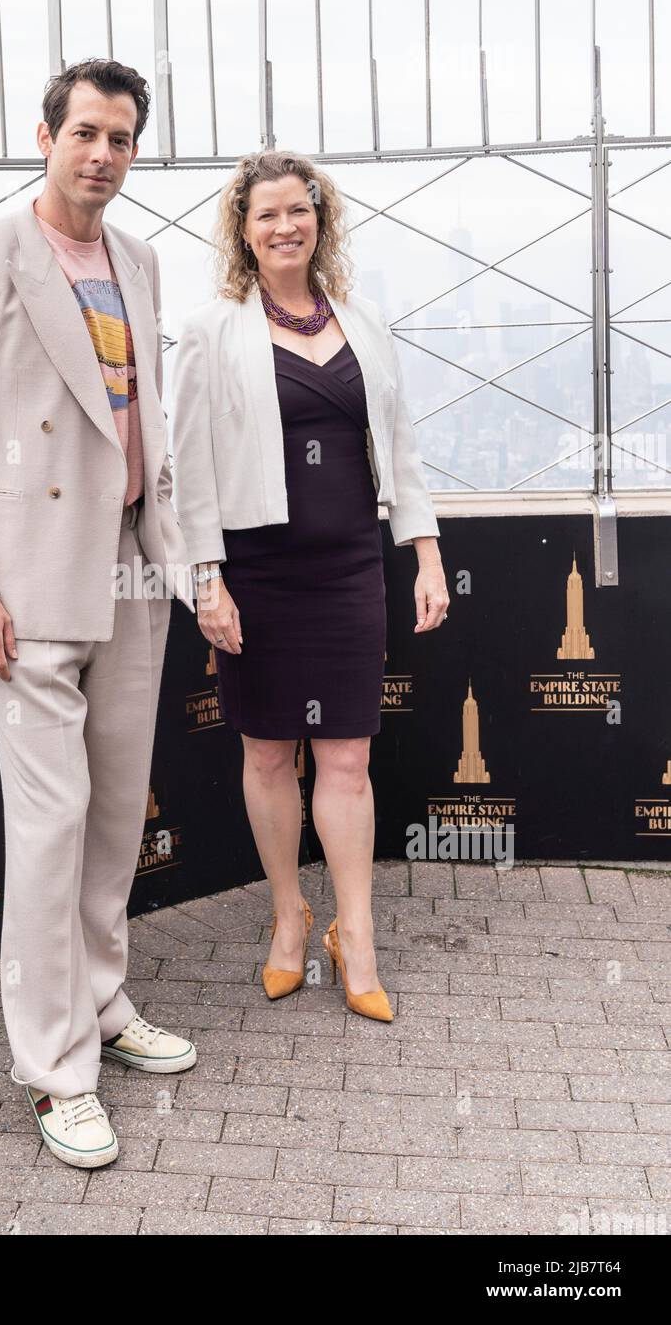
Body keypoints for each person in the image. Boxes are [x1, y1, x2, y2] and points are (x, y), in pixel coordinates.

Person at [0, 59, 197, 1170]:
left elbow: (145, 419)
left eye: (121, 138)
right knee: (44, 832)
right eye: (85, 132)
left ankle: (98, 998)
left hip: (129, 571)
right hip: (27, 586)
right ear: (42, 135)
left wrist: (178, 561)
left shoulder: (138, 258)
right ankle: (53, 1069)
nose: (103, 155)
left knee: (113, 813)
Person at [170, 150, 449, 1021]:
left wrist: (426, 549)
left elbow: (398, 443)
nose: (284, 226)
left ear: (319, 219)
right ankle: (289, 919)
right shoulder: (212, 329)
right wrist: (205, 581)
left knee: (348, 758)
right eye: (265, 215)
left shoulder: (362, 321)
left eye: (299, 210)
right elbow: (186, 465)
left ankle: (353, 933)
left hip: (348, 568)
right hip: (255, 572)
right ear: (242, 233)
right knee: (264, 753)